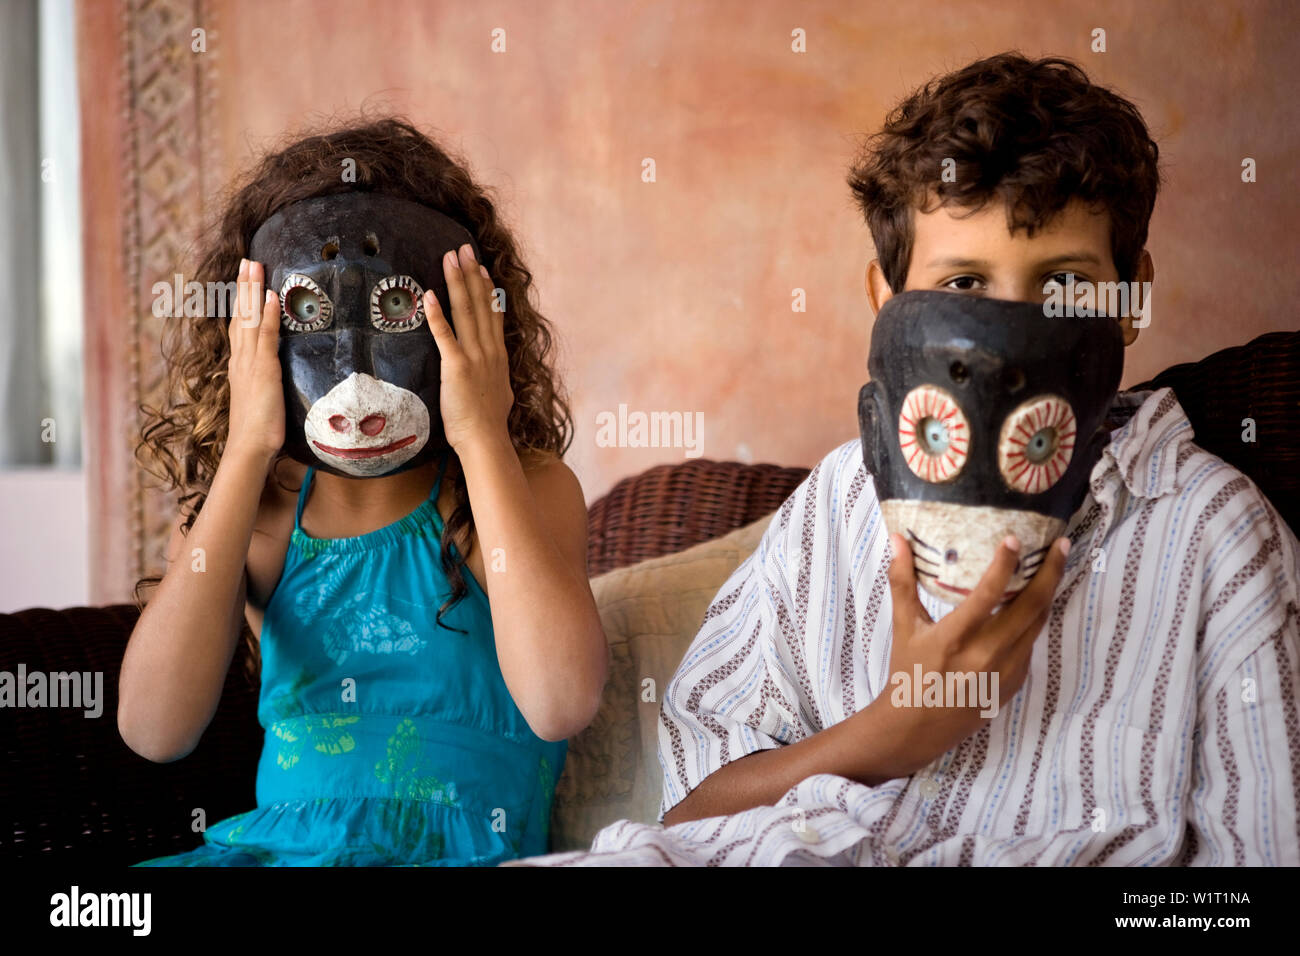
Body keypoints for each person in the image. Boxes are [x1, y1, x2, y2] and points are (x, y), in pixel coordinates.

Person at [511, 52, 1300, 866]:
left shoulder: (1213, 538)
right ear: (885, 308)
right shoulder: (835, 506)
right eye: (963, 285)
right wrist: (889, 732)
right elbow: (691, 816)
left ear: (1130, 301)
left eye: (1063, 286)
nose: (1006, 343)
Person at [120, 117, 608, 866]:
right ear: (256, 332)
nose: (352, 367)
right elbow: (155, 728)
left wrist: (481, 433)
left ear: (475, 315)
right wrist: (249, 446)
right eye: (310, 312)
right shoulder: (267, 510)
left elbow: (561, 701)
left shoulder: (519, 491)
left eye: (398, 310)